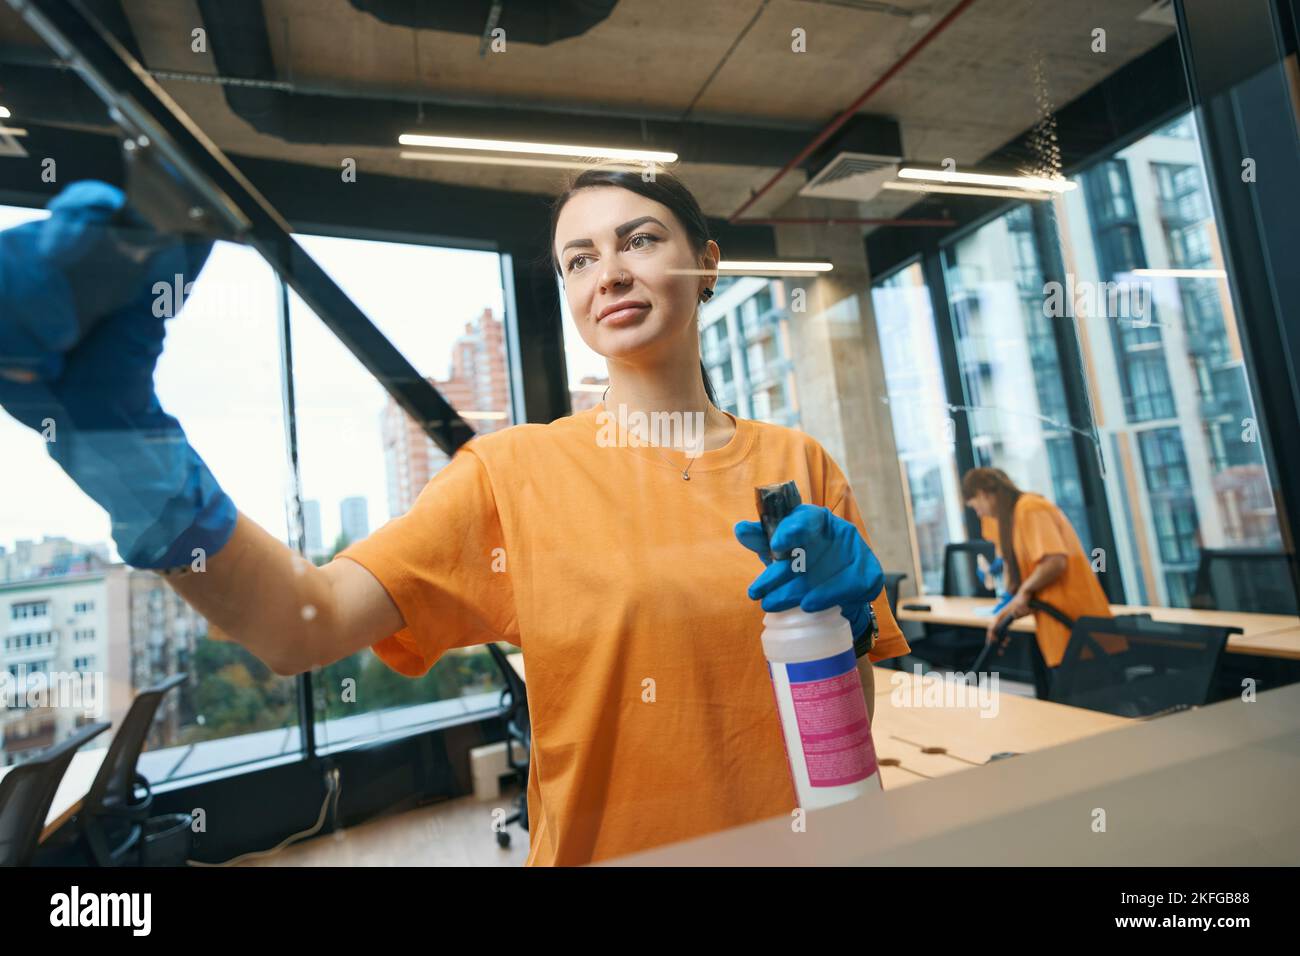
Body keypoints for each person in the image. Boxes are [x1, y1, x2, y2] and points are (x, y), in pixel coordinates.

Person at [0, 168, 909, 866]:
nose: (610, 273)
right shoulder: (513, 474)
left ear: (706, 261)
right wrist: (134, 456)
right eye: (580, 259)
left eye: (638, 240)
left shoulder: (799, 467)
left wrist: (839, 629)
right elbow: (296, 625)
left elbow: (846, 725)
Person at [961, 467, 1112, 668]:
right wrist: (1003, 616)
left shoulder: (1030, 509)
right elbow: (1030, 581)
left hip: (1080, 628)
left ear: (982, 493)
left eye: (975, 506)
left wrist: (1024, 592)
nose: (979, 514)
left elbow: (1054, 561)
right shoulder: (1014, 519)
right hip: (1062, 634)